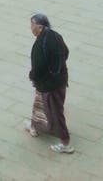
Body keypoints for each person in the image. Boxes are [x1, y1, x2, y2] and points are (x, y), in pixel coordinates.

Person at [24, 13, 74, 154]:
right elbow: (66, 52)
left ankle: (65, 143)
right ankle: (35, 126)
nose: (31, 28)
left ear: (39, 27)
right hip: (58, 80)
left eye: (32, 25)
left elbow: (38, 67)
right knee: (39, 104)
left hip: (50, 86)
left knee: (55, 111)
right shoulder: (55, 35)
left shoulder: (42, 43)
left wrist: (32, 76)